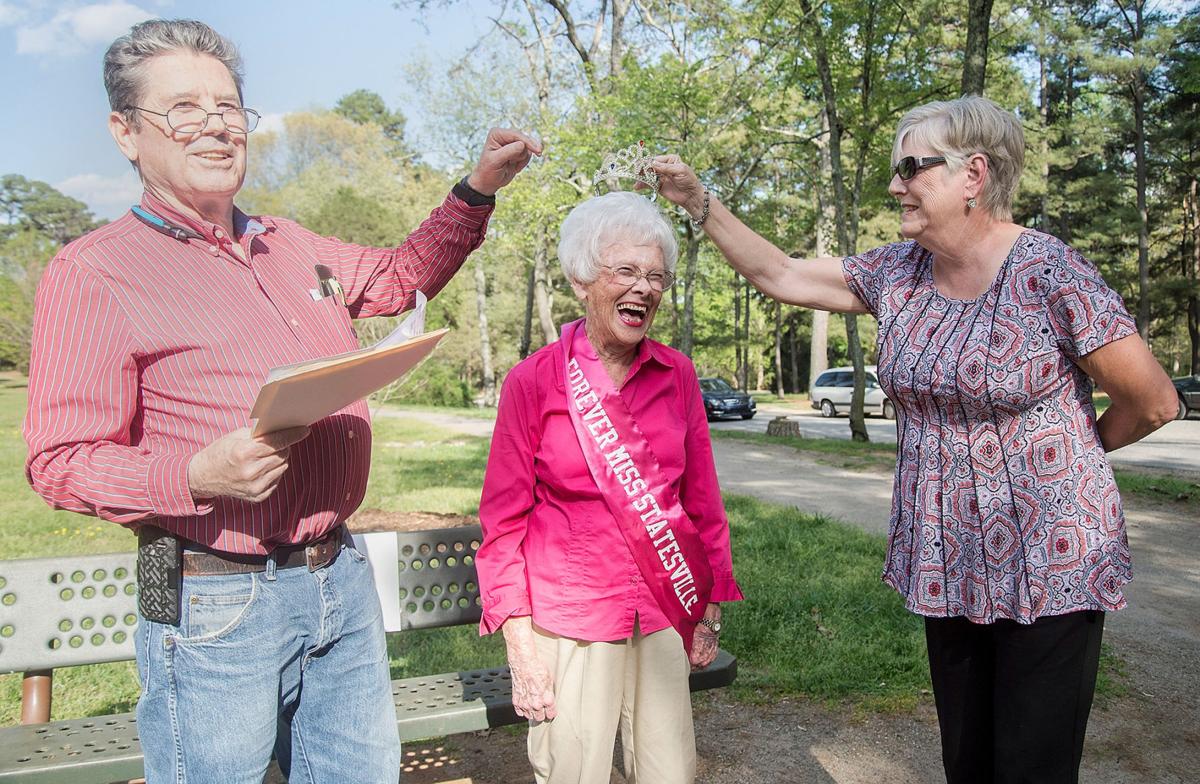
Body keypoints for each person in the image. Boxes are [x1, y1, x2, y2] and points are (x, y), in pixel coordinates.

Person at [22, 18, 540, 784]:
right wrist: (196, 475)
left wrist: (478, 188)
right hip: (214, 603)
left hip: (340, 581)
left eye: (229, 108)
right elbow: (59, 463)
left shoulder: (289, 243)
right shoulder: (92, 274)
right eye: (185, 111)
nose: (216, 128)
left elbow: (401, 277)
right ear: (125, 133)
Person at [651, 96, 1179, 784]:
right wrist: (699, 200)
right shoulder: (898, 272)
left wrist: (1073, 453)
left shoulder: (1051, 272)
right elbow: (778, 274)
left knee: (1032, 764)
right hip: (948, 553)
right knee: (966, 756)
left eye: (911, 168)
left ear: (973, 175)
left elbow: (1154, 401)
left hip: (1053, 554)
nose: (896, 184)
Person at [476, 191, 743, 784]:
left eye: (656, 276)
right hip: (570, 614)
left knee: (668, 770)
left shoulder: (677, 374)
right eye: (625, 271)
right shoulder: (533, 382)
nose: (643, 288)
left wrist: (708, 609)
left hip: (662, 605)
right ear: (581, 280)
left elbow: (702, 499)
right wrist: (521, 649)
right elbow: (502, 525)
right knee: (573, 772)